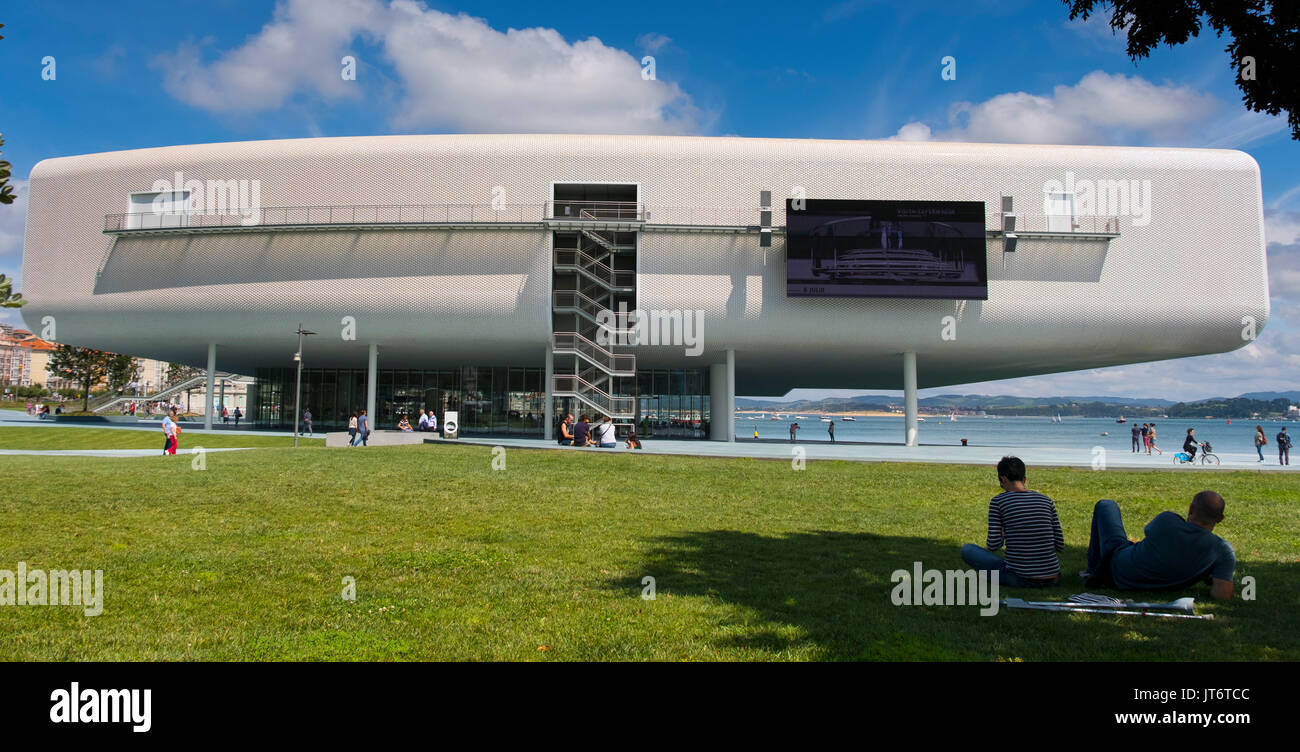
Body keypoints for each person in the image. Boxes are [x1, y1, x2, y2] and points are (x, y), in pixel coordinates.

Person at [1082, 491, 1235, 600]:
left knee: (1106, 505)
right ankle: (1094, 569)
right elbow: (1222, 595)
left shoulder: (1168, 520)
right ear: (1220, 518)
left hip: (1116, 565)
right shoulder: (1222, 551)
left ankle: (1093, 569)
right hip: (1136, 576)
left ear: (1191, 509)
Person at [960, 456, 1064, 587]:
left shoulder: (998, 502)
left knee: (967, 549)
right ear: (1024, 479)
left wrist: (1005, 529)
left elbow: (993, 545)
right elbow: (1060, 544)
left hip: (1019, 578)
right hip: (1053, 578)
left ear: (1003, 479)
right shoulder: (1046, 501)